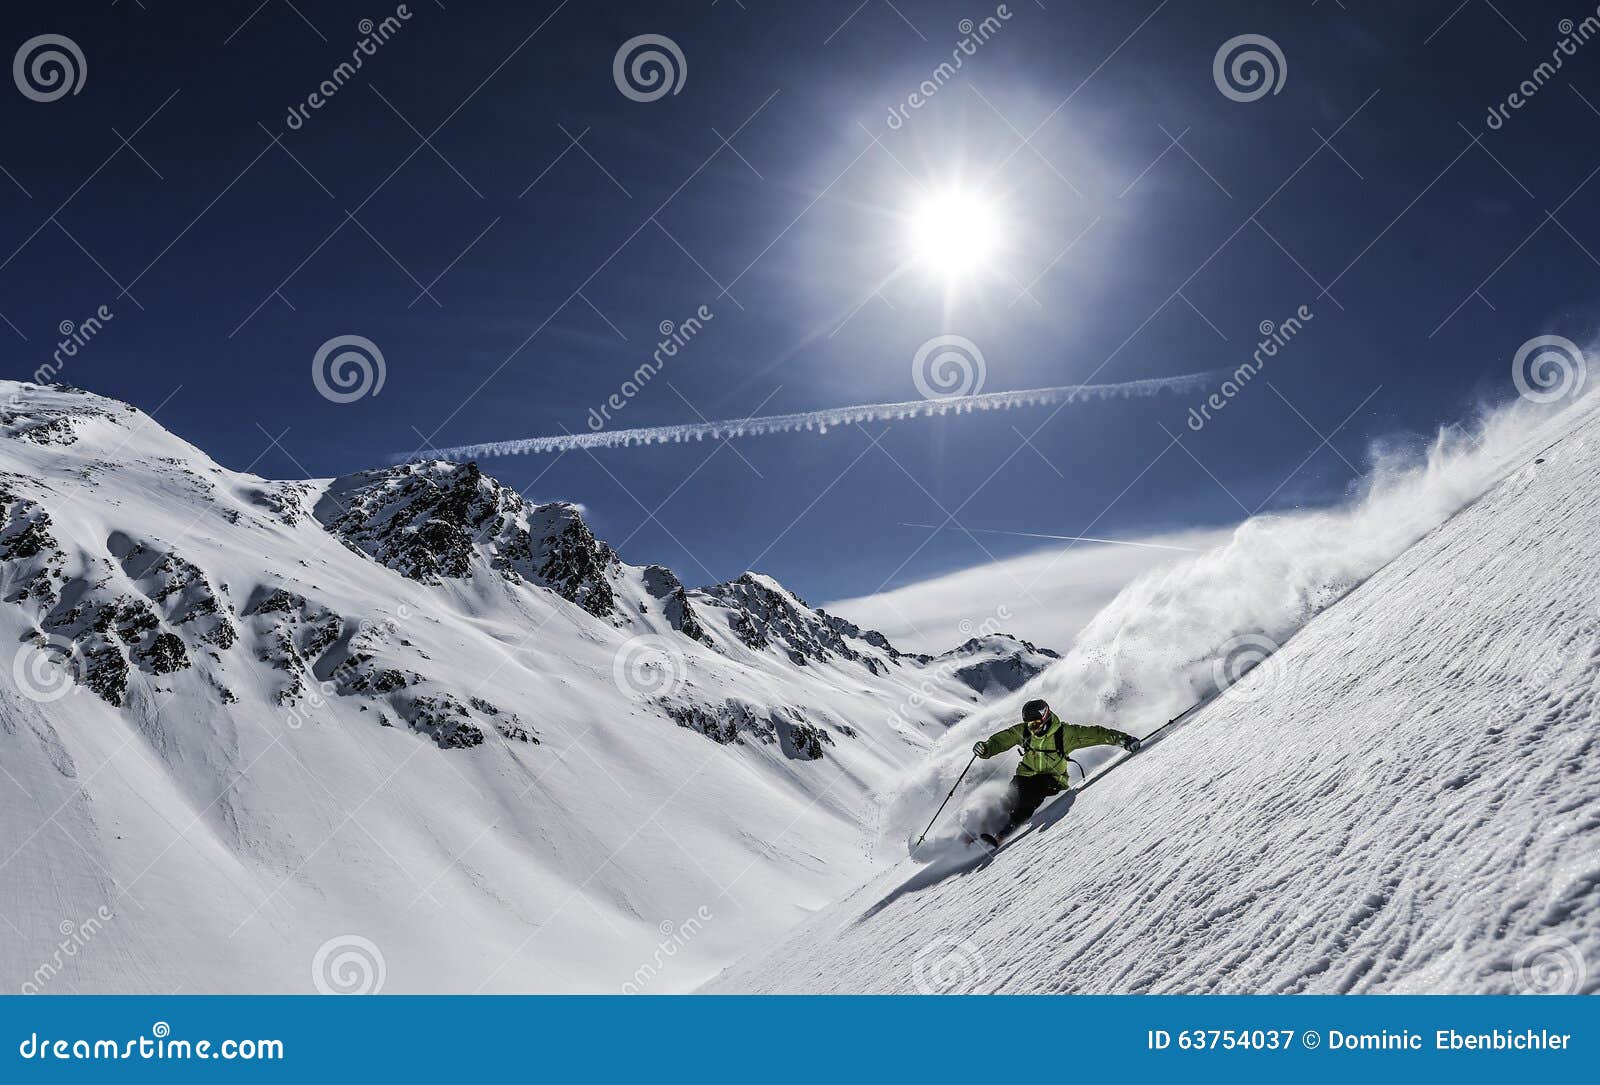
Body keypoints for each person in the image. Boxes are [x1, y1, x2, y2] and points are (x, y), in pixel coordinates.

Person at [973, 697, 1139, 841]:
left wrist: (1124, 740)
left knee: (1030, 797)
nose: (1032, 728)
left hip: (1052, 779)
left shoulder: (1065, 734)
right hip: (1026, 774)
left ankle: (1004, 833)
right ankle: (980, 832)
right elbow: (1002, 740)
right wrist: (986, 748)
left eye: (1036, 723)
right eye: (1029, 724)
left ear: (1045, 719)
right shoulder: (1024, 731)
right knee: (1010, 798)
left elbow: (1097, 734)